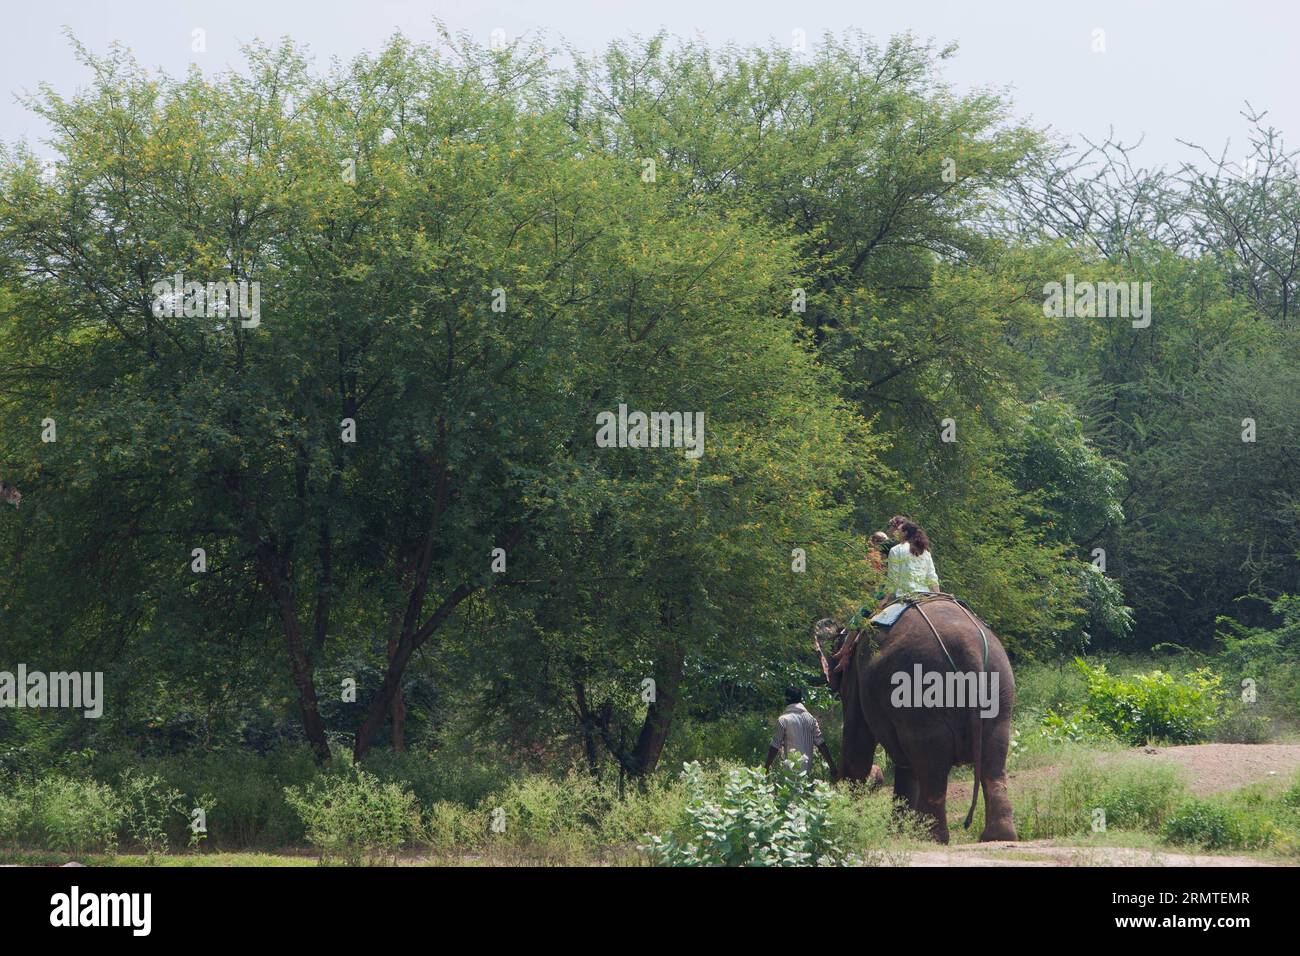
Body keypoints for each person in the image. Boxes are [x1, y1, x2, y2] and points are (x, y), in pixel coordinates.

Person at [765, 687, 837, 781]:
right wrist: (832, 765)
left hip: (791, 768)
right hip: (807, 768)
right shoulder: (810, 718)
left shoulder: (783, 720)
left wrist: (766, 767)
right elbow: (821, 744)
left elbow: (775, 746)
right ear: (800, 699)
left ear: (786, 699)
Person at [883, 515, 941, 600]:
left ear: (905, 533)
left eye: (899, 530)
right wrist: (938, 595)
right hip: (925, 594)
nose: (897, 532)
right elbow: (931, 576)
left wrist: (886, 598)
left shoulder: (895, 550)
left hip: (904, 595)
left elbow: (893, 577)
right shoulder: (925, 551)